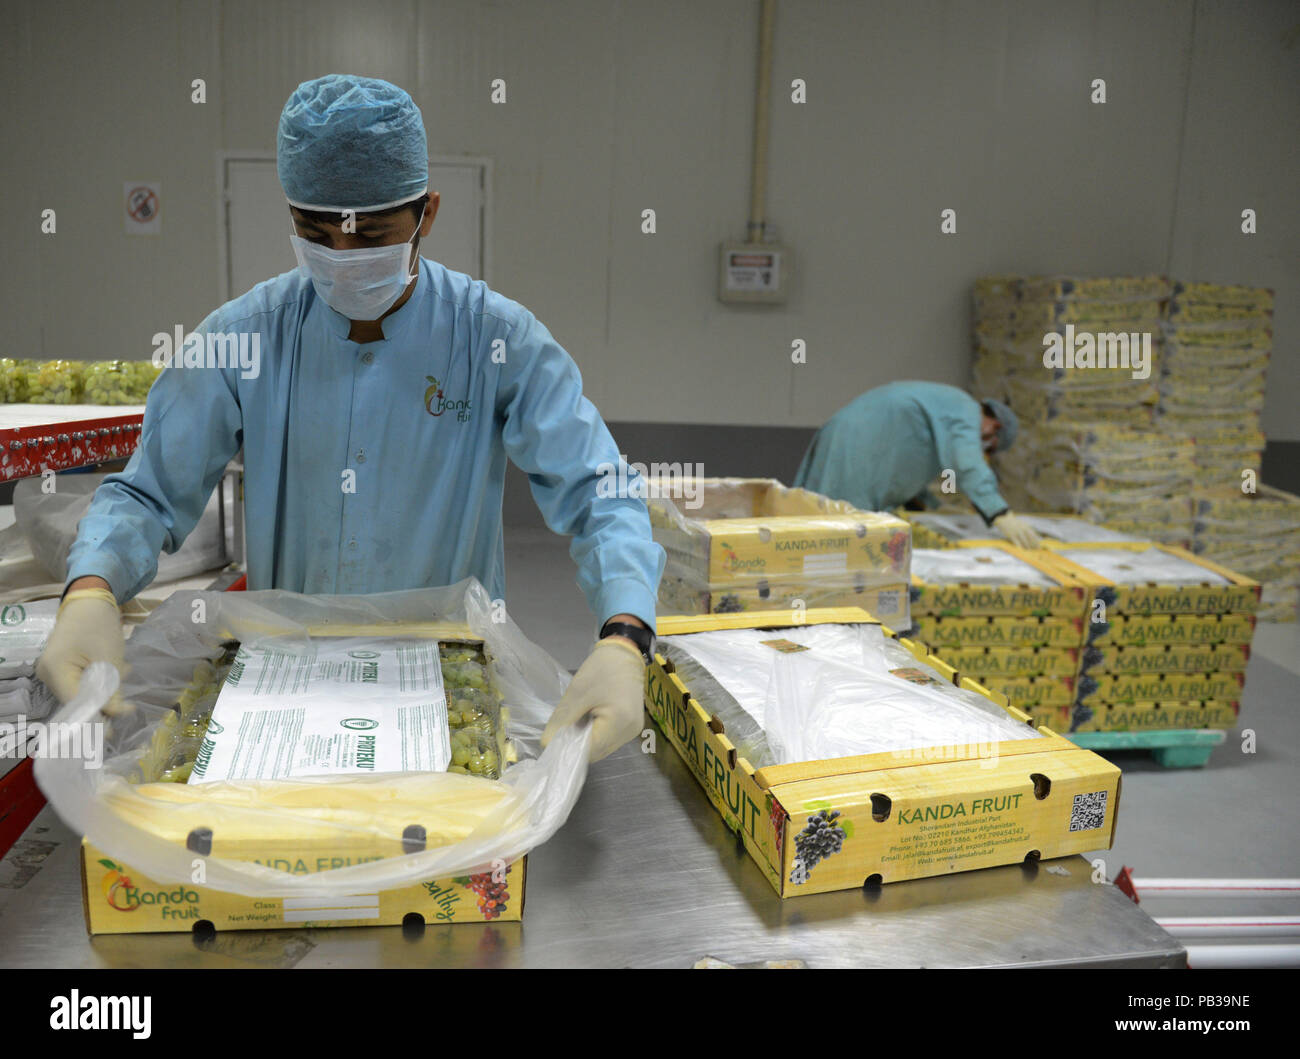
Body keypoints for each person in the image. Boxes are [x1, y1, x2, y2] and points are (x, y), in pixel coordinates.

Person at [36, 75, 665, 762]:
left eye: (370, 234)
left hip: (447, 680)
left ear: (426, 213)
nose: (341, 256)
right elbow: (149, 490)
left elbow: (599, 489)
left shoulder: (493, 339)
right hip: (284, 679)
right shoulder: (244, 340)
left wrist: (624, 637)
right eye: (315, 232)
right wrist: (91, 590)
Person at [792, 380, 1041, 548]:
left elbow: (909, 465)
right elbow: (967, 463)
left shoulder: (947, 408)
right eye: (989, 446)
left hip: (851, 440)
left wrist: (933, 507)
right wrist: (999, 513)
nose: (983, 448)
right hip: (856, 447)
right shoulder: (966, 411)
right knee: (835, 534)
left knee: (820, 518)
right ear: (994, 427)